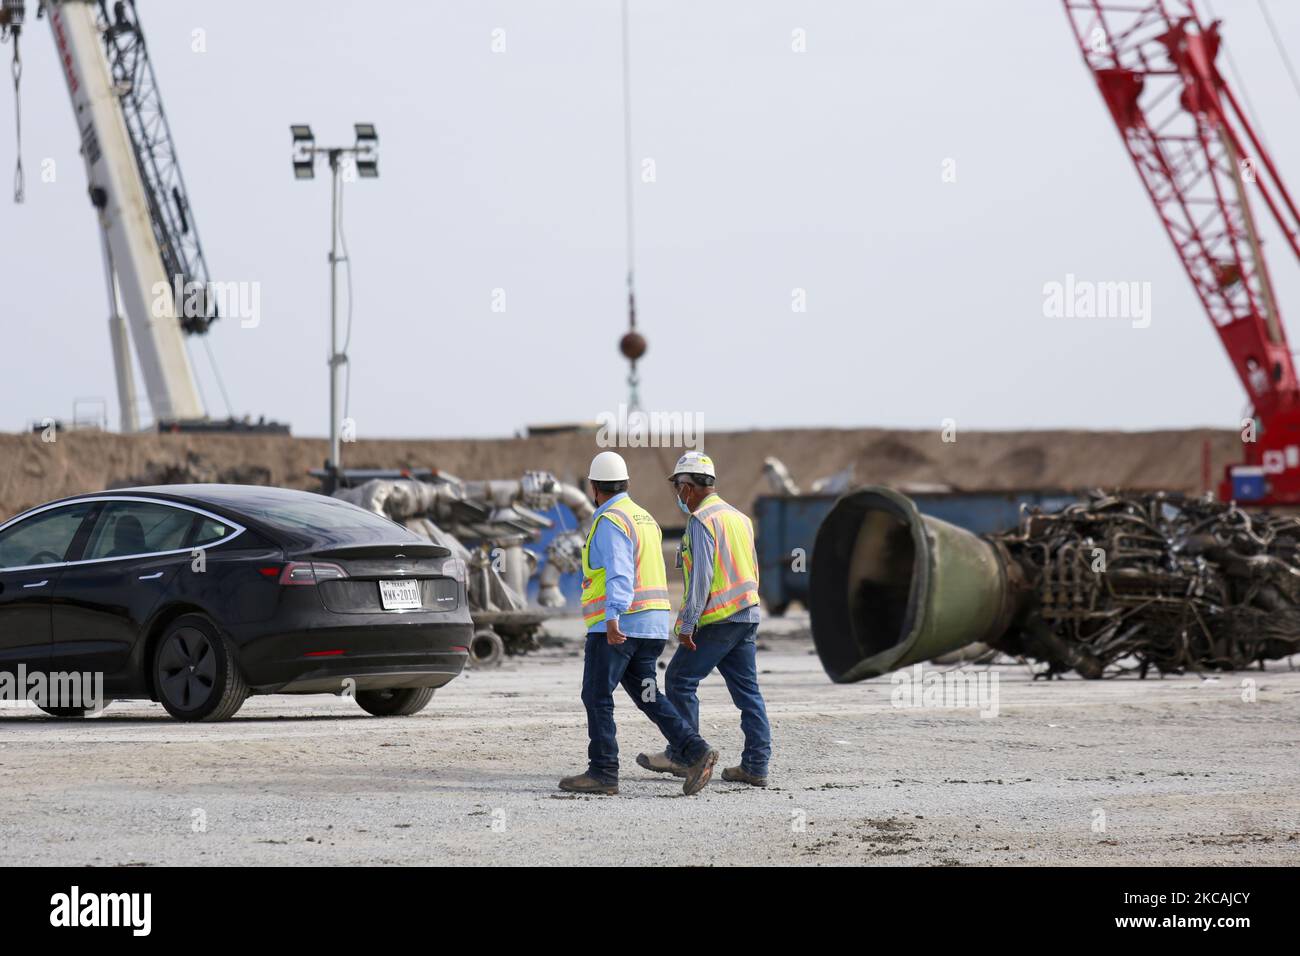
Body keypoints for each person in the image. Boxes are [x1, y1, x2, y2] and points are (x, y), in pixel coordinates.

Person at [558, 450, 718, 796]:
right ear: (626, 483)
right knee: (648, 695)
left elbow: (619, 570)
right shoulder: (643, 517)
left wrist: (613, 616)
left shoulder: (610, 520)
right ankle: (695, 750)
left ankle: (602, 772)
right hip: (652, 625)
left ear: (593, 488)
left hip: (618, 627)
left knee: (597, 694)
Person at [637, 451, 772, 786]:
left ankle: (685, 755)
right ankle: (755, 765)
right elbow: (753, 567)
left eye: (679, 487)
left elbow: (701, 579)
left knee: (680, 679)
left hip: (719, 618)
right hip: (747, 613)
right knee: (748, 693)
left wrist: (687, 623)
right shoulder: (740, 518)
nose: (678, 495)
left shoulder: (702, 521)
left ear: (689, 487)